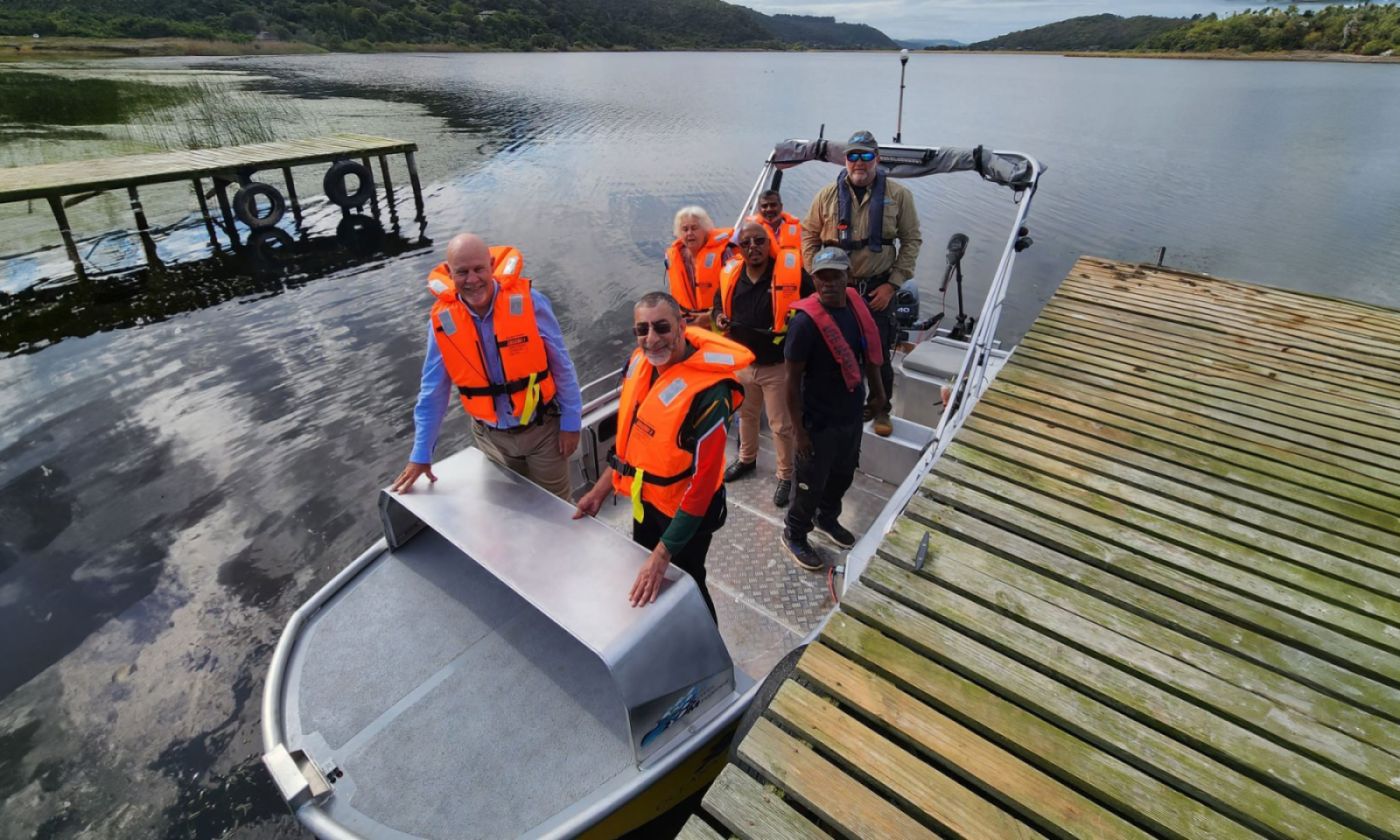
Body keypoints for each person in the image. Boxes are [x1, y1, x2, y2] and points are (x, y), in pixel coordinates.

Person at [573, 292, 753, 621]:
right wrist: (600, 491)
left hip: (687, 516)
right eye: (642, 330)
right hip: (647, 502)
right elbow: (629, 447)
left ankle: (707, 647)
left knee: (688, 584)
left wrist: (663, 552)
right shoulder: (640, 365)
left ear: (682, 326)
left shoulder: (712, 395)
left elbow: (702, 486)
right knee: (648, 579)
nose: (652, 339)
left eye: (661, 327)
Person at [391, 233, 583, 501]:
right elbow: (432, 391)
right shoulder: (442, 323)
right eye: (462, 272)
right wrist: (421, 454)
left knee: (559, 507)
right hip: (491, 439)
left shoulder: (531, 302)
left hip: (542, 433)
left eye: (479, 269)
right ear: (449, 272)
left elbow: (562, 366)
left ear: (491, 265)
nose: (472, 280)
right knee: (512, 509)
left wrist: (571, 423)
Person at [801, 129, 921, 437]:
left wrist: (892, 285)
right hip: (834, 291)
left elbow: (911, 241)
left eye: (866, 156)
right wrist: (817, 277)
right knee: (832, 351)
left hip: (876, 292)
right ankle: (837, 405)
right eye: (853, 156)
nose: (859, 163)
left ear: (877, 159)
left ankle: (881, 408)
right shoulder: (825, 196)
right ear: (845, 160)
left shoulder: (899, 196)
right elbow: (809, 236)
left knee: (877, 354)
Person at [782, 247, 888, 571]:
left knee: (843, 474)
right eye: (821, 277)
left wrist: (879, 396)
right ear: (813, 280)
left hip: (850, 415)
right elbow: (790, 382)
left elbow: (869, 357)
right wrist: (799, 433)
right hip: (818, 422)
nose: (828, 283)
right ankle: (795, 533)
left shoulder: (856, 309)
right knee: (809, 484)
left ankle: (827, 518)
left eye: (835, 276)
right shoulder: (804, 325)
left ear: (848, 277)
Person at [711, 220, 813, 508]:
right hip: (743, 363)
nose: (753, 247)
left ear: (770, 244)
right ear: (739, 249)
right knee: (746, 415)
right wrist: (719, 316)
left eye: (759, 241)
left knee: (781, 424)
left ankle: (785, 475)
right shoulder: (731, 274)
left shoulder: (790, 274)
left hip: (777, 366)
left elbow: (813, 304)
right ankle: (747, 459)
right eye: (746, 243)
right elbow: (718, 302)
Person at [665, 206, 734, 327]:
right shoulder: (676, 256)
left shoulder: (724, 254)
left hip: (717, 318)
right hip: (687, 319)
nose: (689, 233)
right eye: (685, 229)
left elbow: (736, 293)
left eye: (694, 228)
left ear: (705, 230)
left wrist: (711, 316)